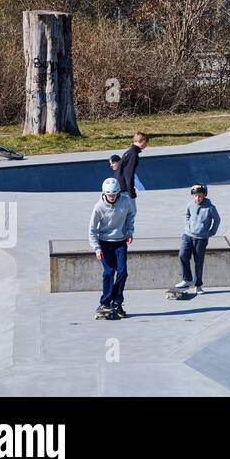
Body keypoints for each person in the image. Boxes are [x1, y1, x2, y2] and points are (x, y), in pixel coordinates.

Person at [89, 177, 136, 319]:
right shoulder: (99, 207)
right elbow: (92, 230)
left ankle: (117, 302)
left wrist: (129, 232)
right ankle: (105, 302)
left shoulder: (126, 201)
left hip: (120, 242)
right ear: (104, 193)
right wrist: (96, 248)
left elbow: (131, 216)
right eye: (109, 195)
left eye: (114, 195)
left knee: (122, 272)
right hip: (104, 243)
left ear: (118, 193)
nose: (111, 197)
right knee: (109, 272)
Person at [174, 184, 221, 294]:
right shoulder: (190, 204)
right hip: (188, 235)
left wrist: (212, 232)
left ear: (204, 195)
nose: (197, 198)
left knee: (198, 262)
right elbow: (187, 214)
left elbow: (217, 220)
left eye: (200, 196)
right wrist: (187, 225)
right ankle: (187, 279)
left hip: (201, 238)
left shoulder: (210, 208)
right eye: (195, 196)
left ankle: (198, 285)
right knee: (182, 255)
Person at [116, 131, 149, 200]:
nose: (146, 145)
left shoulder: (129, 152)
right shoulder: (133, 155)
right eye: (145, 142)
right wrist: (131, 193)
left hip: (120, 186)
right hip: (124, 189)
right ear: (140, 141)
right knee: (132, 210)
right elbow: (129, 174)